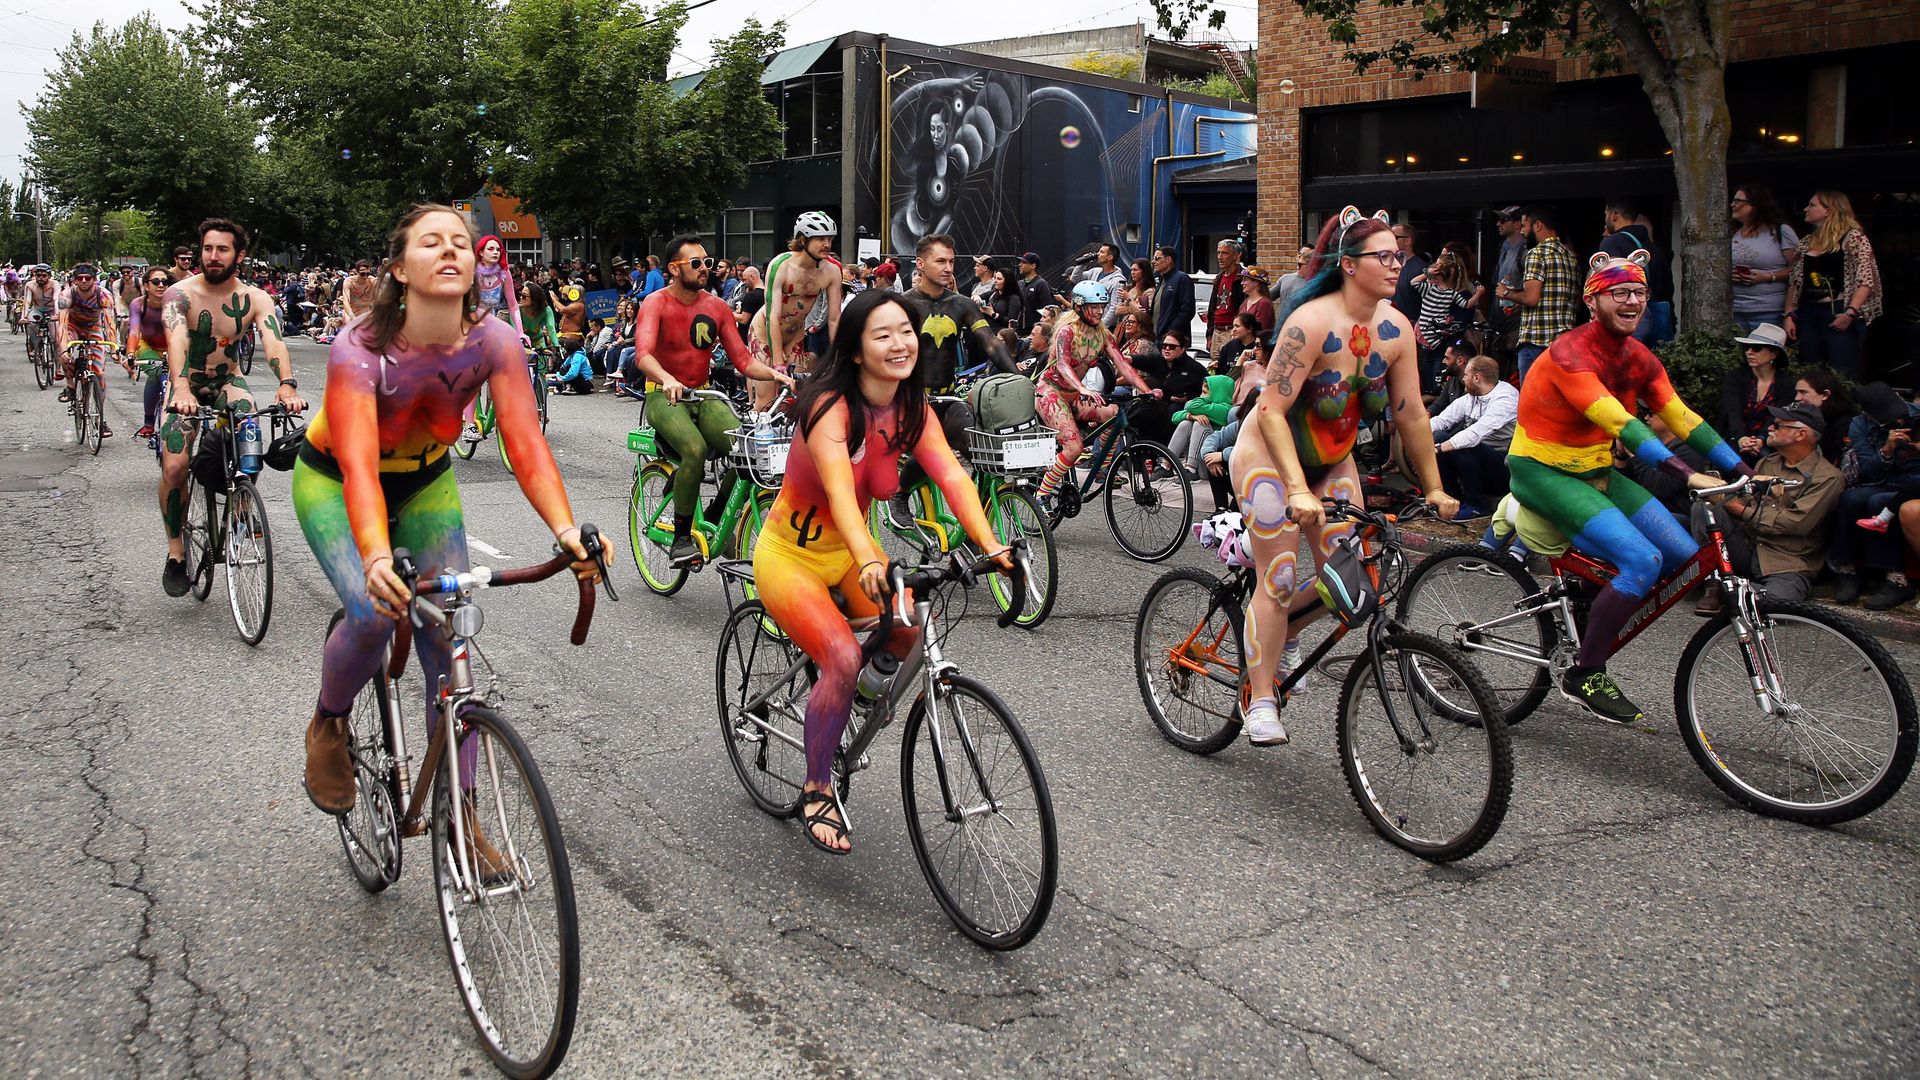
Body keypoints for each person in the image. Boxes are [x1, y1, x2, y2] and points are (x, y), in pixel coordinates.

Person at [294, 204, 602, 818]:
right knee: (374, 611)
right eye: (431, 243)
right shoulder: (360, 348)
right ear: (400, 270)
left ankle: (461, 821)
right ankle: (328, 723)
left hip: (426, 479)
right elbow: (357, 464)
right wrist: (377, 556)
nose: (451, 251)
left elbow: (524, 441)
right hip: (336, 480)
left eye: (460, 242)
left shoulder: (495, 340)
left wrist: (567, 529)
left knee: (448, 637)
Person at [753, 288, 1014, 854]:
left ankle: (853, 695)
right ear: (853, 350)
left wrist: (992, 545)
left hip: (853, 553)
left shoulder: (912, 407)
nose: (900, 344)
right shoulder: (829, 408)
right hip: (791, 555)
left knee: (911, 625)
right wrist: (872, 557)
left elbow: (950, 472)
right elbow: (843, 497)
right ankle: (818, 787)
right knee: (842, 656)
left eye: (906, 332)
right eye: (882, 335)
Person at [1234, 207, 1456, 746]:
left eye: (1399, 255)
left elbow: (1410, 414)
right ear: (1349, 265)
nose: (1396, 264)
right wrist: (1293, 490)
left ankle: (1283, 630)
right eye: (1384, 256)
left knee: (1354, 580)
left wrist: (1434, 486)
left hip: (1333, 461)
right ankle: (1260, 698)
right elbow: (1269, 412)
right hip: (1269, 457)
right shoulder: (1310, 323)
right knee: (1280, 576)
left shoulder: (1396, 329)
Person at [1507, 250, 1744, 723]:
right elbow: (1622, 424)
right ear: (1592, 303)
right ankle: (1586, 671)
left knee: (1682, 557)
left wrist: (1741, 469)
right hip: (1542, 471)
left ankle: (1587, 600)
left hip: (1597, 471)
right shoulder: (1569, 354)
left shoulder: (1639, 357)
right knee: (1643, 560)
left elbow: (1682, 417)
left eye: (1639, 292)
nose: (1632, 300)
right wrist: (1688, 473)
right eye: (1619, 293)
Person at [158, 219, 308, 596]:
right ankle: (176, 550)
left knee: (250, 438)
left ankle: (240, 510)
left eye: (222, 249)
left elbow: (273, 341)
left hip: (228, 380)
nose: (212, 256)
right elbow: (176, 339)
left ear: (239, 256)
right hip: (185, 383)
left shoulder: (255, 298)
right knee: (175, 465)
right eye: (207, 248)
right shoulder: (179, 294)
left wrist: (286, 385)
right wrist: (180, 387)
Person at [633, 235, 793, 564]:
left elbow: (743, 360)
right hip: (664, 396)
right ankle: (680, 539)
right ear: (674, 269)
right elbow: (643, 355)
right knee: (694, 450)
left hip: (704, 393)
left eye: (707, 261)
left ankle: (718, 516)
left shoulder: (717, 307)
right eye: (696, 263)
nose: (705, 268)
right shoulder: (655, 303)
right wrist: (666, 379)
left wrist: (776, 374)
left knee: (747, 449)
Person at [891, 234, 1019, 519]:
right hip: (910, 398)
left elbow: (991, 342)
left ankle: (977, 525)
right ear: (920, 264)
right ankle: (900, 492)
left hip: (948, 395)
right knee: (933, 449)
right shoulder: (901, 304)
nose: (948, 267)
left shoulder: (962, 304)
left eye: (951, 261)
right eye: (940, 261)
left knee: (980, 449)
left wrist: (1017, 377)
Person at [1690, 401, 1842, 614]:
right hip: (1749, 546)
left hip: (1785, 562)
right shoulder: (1766, 464)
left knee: (1775, 602)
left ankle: (1735, 592)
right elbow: (1749, 500)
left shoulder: (1827, 477)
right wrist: (1725, 495)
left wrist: (1739, 509)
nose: (1770, 428)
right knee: (1704, 506)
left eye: (1778, 426)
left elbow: (1796, 523)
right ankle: (1714, 584)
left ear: (1801, 435)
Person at [1033, 281, 1158, 505]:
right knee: (1074, 446)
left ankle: (1102, 470)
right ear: (1079, 307)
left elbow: (1123, 366)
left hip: (1073, 395)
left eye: (1103, 306)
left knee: (1113, 413)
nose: (1100, 311)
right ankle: (1041, 496)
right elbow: (1062, 365)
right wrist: (1083, 388)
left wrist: (1147, 391)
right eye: (1094, 306)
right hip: (1050, 393)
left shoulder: (1103, 334)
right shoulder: (1066, 331)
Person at [1827, 382, 1920, 608]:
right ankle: (1847, 570)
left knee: (1880, 501)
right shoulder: (1859, 425)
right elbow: (1867, 472)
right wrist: (1886, 450)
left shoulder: (1916, 415)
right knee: (1850, 499)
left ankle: (1895, 578)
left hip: (1914, 482)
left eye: (1898, 414)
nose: (1898, 420)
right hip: (1883, 479)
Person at [1784, 190, 1881, 380]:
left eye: (1812, 205)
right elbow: (1794, 281)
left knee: (1842, 369)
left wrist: (1850, 313)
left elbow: (1866, 279)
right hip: (1808, 310)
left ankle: (1846, 408)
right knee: (1810, 367)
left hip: (1837, 308)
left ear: (1829, 210)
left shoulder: (1854, 238)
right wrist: (1788, 314)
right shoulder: (1806, 242)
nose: (1806, 209)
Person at [751, 212, 844, 409]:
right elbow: (772, 316)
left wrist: (840, 356)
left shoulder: (832, 271)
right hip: (765, 332)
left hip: (795, 335)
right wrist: (777, 360)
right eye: (820, 239)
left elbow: (835, 319)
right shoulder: (781, 265)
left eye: (830, 238)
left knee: (793, 398)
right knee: (767, 399)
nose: (827, 243)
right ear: (802, 239)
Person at [1431, 356, 1519, 518]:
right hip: (1476, 464)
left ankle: (1477, 505)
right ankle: (1451, 500)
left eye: (1466, 375)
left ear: (1477, 378)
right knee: (1439, 435)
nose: (1463, 379)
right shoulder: (1471, 396)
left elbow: (1476, 433)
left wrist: (1437, 449)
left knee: (1462, 443)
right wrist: (1416, 435)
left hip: (1503, 470)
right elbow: (1442, 420)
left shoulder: (1506, 398)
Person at [1498, 205, 1579, 380]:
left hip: (1536, 341)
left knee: (1531, 400)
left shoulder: (1537, 253)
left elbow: (1531, 298)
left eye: (1525, 226)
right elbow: (1562, 299)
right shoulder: (1570, 257)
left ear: (1538, 225)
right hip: (1563, 343)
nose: (1523, 232)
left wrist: (1506, 293)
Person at [54, 264, 129, 424]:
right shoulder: (67, 295)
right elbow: (62, 325)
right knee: (64, 356)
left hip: (93, 328)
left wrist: (113, 347)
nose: (83, 281)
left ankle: (99, 420)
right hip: (73, 327)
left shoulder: (104, 295)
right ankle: (71, 386)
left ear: (94, 280)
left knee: (99, 373)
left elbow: (109, 323)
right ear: (74, 280)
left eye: (87, 278)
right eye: (79, 278)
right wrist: (64, 348)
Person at [1598, 197, 1673, 343]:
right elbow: (1667, 285)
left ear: (1614, 214)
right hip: (1654, 318)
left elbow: (1610, 285)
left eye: (1606, 214)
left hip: (1627, 321)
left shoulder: (1612, 244)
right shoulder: (1651, 246)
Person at [1716, 323, 1793, 464]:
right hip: (1735, 438)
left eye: (1756, 348)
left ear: (1774, 353)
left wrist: (1761, 439)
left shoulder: (1786, 383)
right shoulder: (1735, 377)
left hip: (1769, 442)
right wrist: (1741, 438)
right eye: (1747, 348)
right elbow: (1732, 410)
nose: (1749, 352)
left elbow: (1777, 415)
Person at [1730, 184, 1798, 332]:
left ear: (1756, 205)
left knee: (1764, 353)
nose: (1732, 205)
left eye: (1738, 201)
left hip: (1769, 310)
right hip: (1735, 310)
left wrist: (1769, 276)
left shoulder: (1780, 231)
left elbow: (1798, 270)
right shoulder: (1732, 233)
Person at [129, 269, 172, 440]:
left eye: (165, 281)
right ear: (146, 286)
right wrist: (131, 354)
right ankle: (148, 423)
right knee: (157, 373)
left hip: (172, 346)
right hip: (148, 346)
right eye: (156, 282)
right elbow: (134, 331)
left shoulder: (176, 303)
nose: (161, 285)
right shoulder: (138, 304)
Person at [1793, 368, 1854, 464]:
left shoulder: (1844, 425)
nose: (1797, 398)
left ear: (1825, 395)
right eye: (1797, 392)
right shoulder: (1800, 417)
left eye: (1803, 392)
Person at [1206, 239, 1245, 355]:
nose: (1220, 257)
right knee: (1214, 369)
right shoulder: (1218, 278)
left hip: (1232, 331)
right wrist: (1209, 334)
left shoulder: (1243, 278)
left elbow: (1244, 309)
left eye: (1224, 253)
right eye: (1218, 253)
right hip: (1216, 331)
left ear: (1236, 255)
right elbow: (1212, 309)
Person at [1150, 246, 1194, 348]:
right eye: (1153, 259)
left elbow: (1187, 311)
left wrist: (1170, 332)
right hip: (1158, 338)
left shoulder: (1181, 278)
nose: (1153, 262)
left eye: (1157, 258)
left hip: (1172, 341)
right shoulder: (1161, 281)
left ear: (1168, 259)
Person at [1387, 221, 1427, 326]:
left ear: (1407, 241)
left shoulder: (1421, 268)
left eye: (1395, 237)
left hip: (1410, 326)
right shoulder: (1386, 264)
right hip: (1386, 324)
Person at [1110, 257, 1155, 332]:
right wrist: (1133, 308)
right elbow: (1117, 310)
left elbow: (1143, 311)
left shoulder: (1149, 291)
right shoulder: (1129, 288)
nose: (1132, 272)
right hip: (1124, 328)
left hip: (1140, 330)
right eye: (1131, 270)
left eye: (1135, 270)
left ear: (1144, 271)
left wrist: (1128, 299)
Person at [1014, 251, 1052, 335]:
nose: (1020, 265)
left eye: (1024, 262)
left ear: (1033, 266)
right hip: (1018, 331)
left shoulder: (1041, 284)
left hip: (1033, 332)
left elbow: (1045, 309)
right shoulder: (1020, 283)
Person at [1270, 245, 1313, 312]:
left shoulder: (1315, 283)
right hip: (1284, 321)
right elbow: (1267, 296)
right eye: (1300, 254)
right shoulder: (1285, 278)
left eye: (1306, 255)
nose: (1301, 257)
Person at [1237, 267, 1275, 339]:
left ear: (1256, 282)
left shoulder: (1264, 304)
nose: (1242, 283)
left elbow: (1261, 330)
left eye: (1245, 280)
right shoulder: (1245, 303)